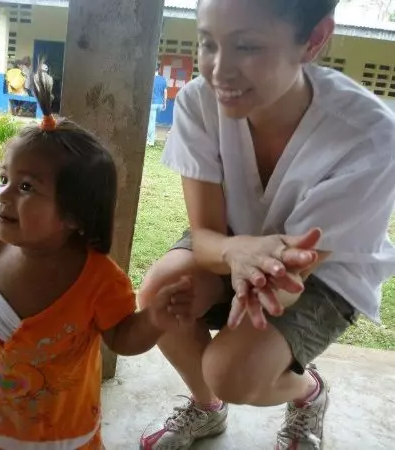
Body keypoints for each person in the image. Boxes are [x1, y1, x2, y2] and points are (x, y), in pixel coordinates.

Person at [139, 0, 395, 449]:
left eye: (247, 46)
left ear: (314, 40)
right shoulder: (200, 102)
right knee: (162, 296)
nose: (219, 70)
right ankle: (206, 407)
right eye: (208, 42)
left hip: (323, 271)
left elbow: (297, 267)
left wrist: (251, 272)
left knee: (231, 373)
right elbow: (205, 235)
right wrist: (235, 253)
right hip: (232, 241)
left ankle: (307, 392)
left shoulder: (370, 136)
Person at [0, 67, 195, 450]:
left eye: (27, 186)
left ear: (75, 215)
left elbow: (121, 337)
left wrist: (155, 319)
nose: (3, 195)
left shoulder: (98, 280)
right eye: (3, 178)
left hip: (65, 433)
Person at [147, 64, 168, 146]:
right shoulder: (163, 79)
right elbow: (165, 92)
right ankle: (152, 136)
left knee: (151, 122)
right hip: (160, 103)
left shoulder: (150, 79)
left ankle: (150, 140)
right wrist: (164, 103)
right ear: (158, 70)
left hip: (152, 103)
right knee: (153, 121)